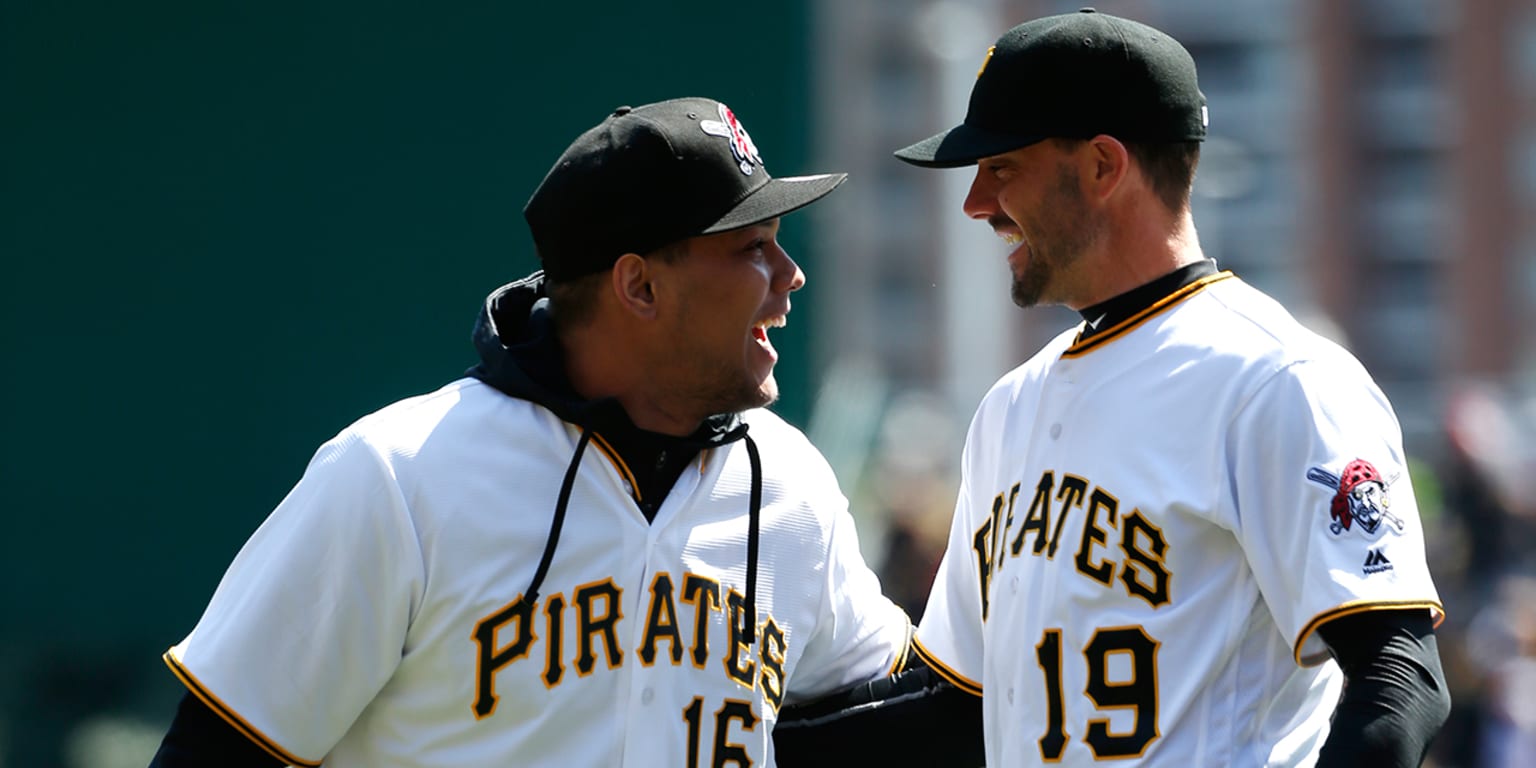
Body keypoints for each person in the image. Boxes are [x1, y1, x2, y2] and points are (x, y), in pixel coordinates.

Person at [147, 96, 913, 767]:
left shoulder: (790, 483)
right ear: (639, 285)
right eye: (753, 248)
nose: (789, 276)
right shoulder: (399, 475)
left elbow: (893, 717)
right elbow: (215, 747)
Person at [774, 9, 1450, 766]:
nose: (976, 202)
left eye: (1002, 166)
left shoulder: (1276, 380)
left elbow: (1400, 685)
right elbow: (961, 711)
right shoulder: (1010, 407)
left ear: (1103, 165)